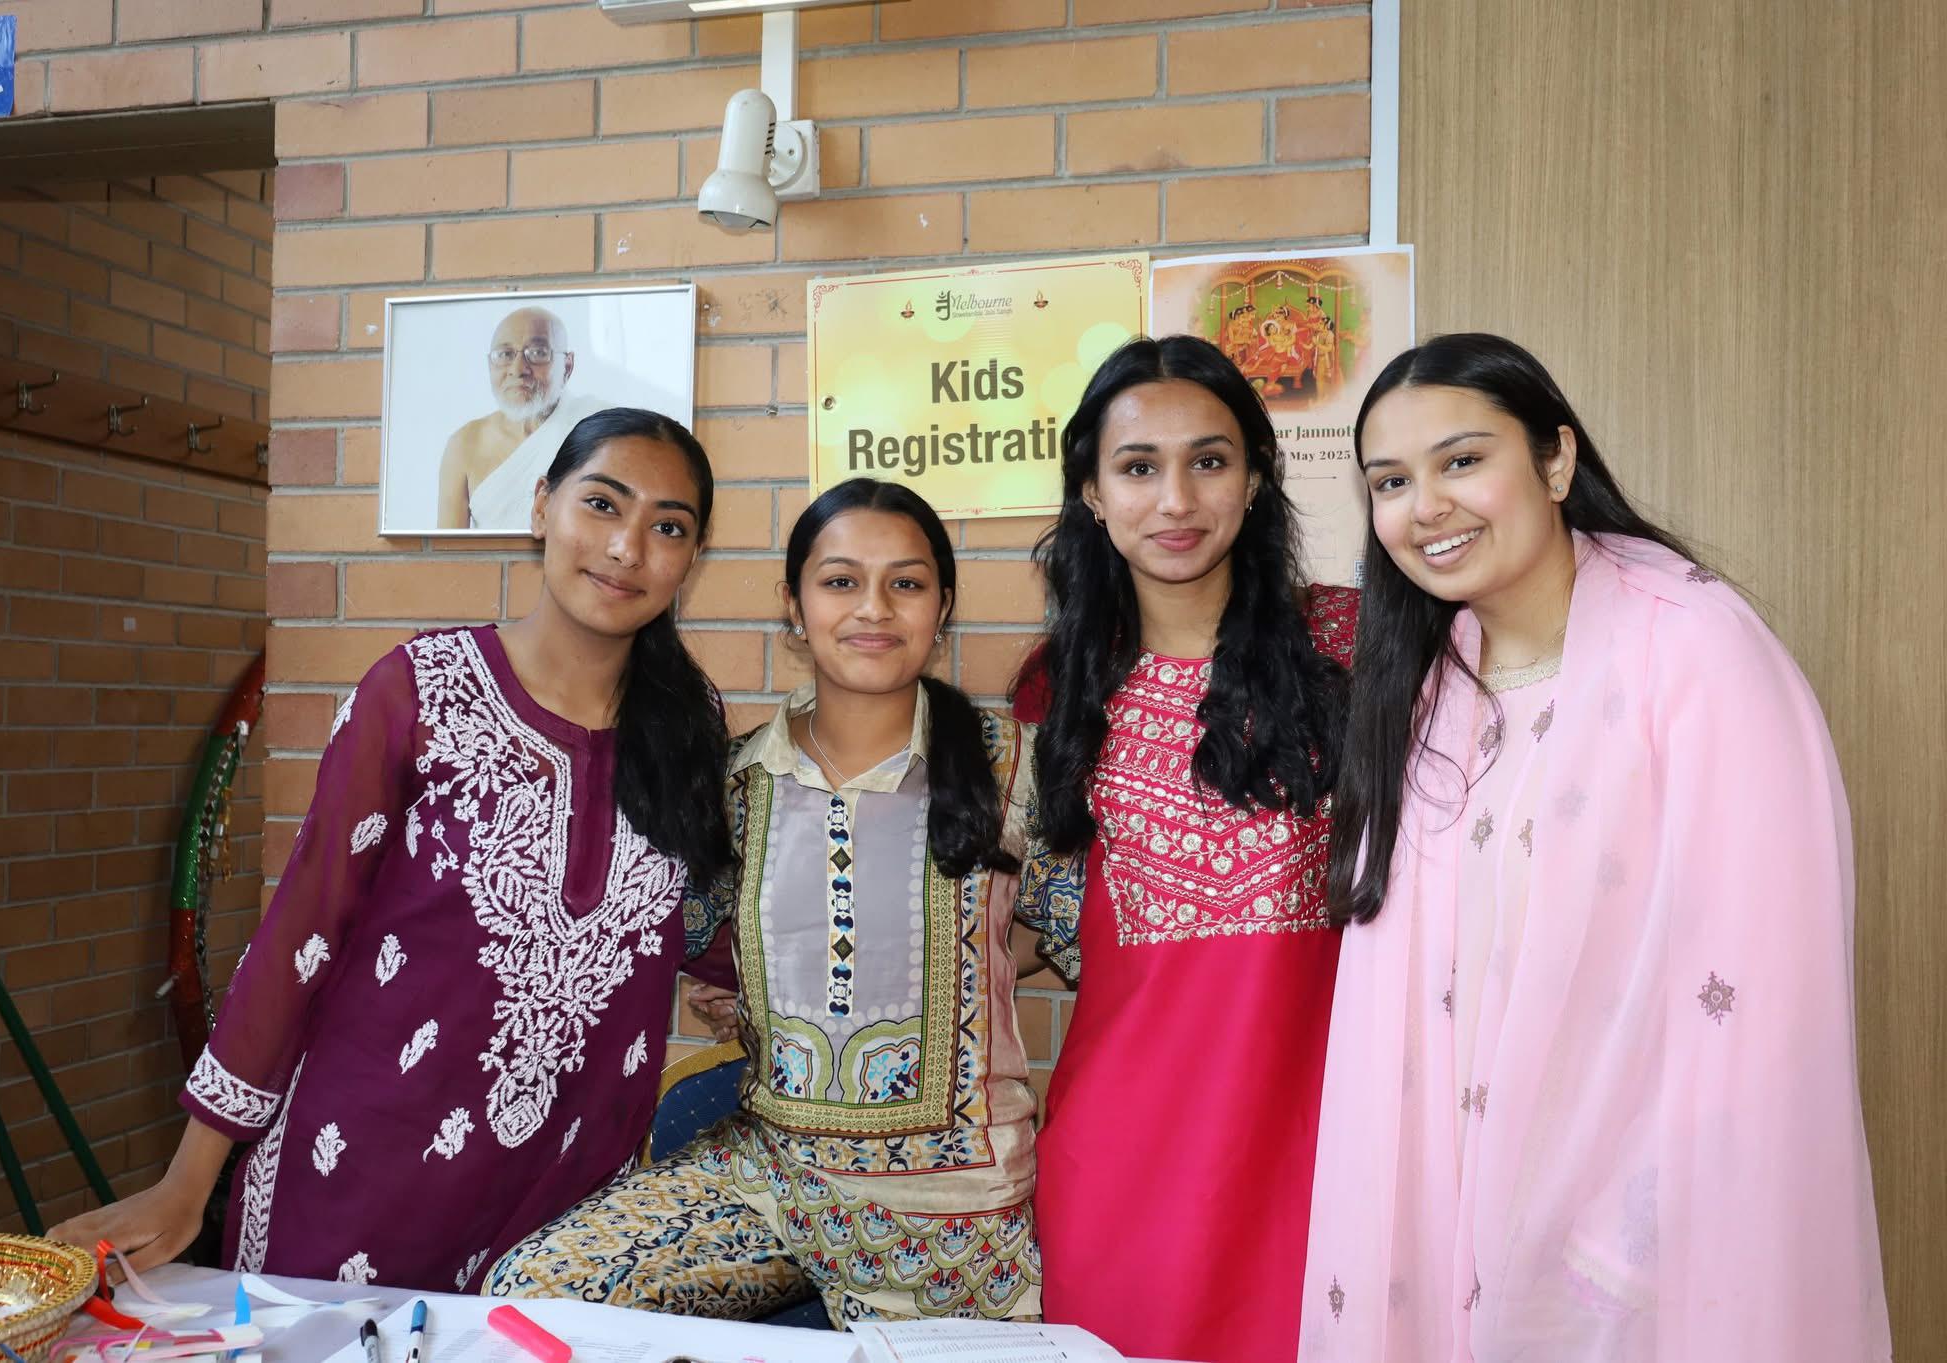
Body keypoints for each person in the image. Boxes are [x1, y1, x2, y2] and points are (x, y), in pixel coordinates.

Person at [1299, 334, 1890, 1362]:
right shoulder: (1426, 693)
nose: (1424, 505)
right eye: (1389, 481)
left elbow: (1758, 992)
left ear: (1556, 460)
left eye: (1461, 460)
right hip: (1456, 1227)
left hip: (1639, 1241)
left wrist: (1625, 1235)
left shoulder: (1694, 650)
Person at [49, 409, 733, 1290]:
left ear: (693, 556)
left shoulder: (689, 725)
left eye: (667, 526)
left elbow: (705, 922)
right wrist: (189, 1182)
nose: (628, 546)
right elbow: (303, 932)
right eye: (602, 504)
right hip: (361, 1173)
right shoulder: (420, 691)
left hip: (560, 1206)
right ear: (539, 507)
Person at [484, 478, 1076, 1324]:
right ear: (793, 607)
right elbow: (658, 941)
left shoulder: (1013, 770)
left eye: (905, 583)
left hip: (957, 1217)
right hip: (770, 1184)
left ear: (941, 606)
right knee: (534, 1299)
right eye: (839, 581)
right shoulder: (734, 781)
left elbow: (1097, 942)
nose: (872, 608)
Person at [1011, 335, 1356, 1363]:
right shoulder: (1055, 688)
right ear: (1089, 492)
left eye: (1208, 460)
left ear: (1253, 479)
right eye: (1136, 467)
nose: (1175, 499)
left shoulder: (1348, 648)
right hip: (1122, 1163)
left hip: (1321, 1155)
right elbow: (1032, 924)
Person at [436, 307, 593, 531]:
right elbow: (448, 553)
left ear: (567, 366)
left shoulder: (597, 431)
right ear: (490, 364)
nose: (518, 369)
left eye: (538, 353)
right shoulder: (464, 444)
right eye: (505, 354)